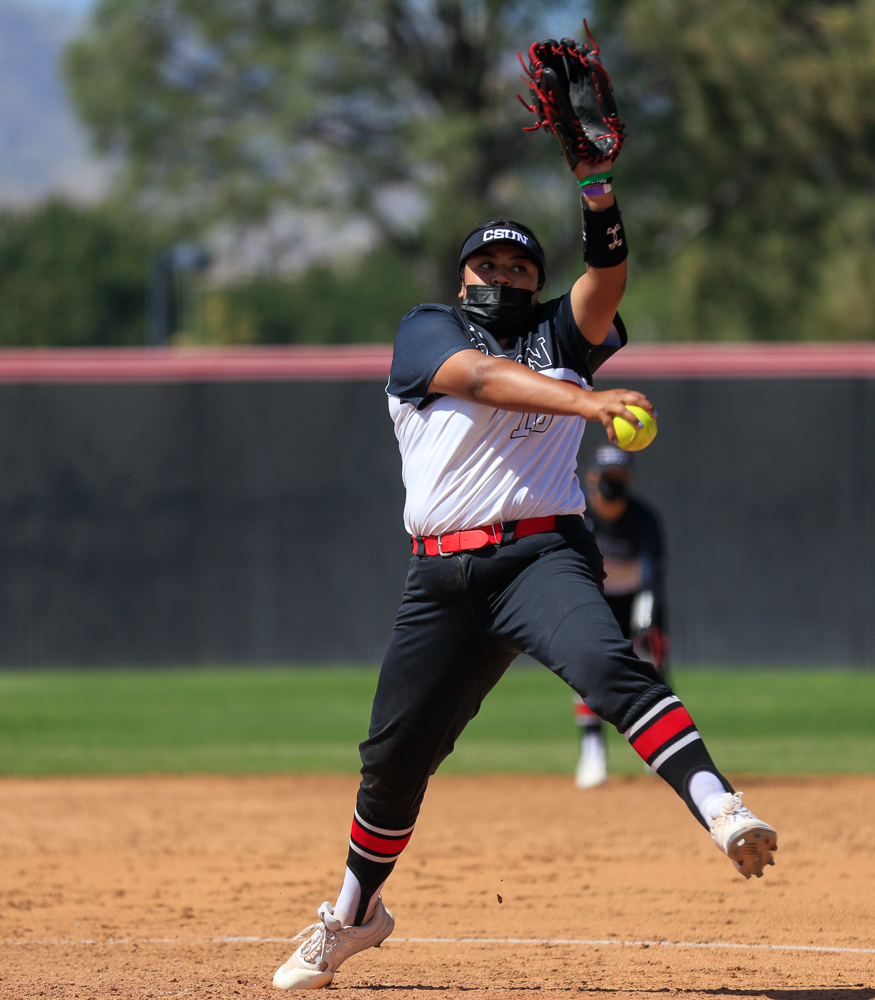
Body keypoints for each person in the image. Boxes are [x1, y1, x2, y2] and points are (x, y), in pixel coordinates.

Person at [270, 153, 777, 991]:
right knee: (394, 759)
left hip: (539, 555)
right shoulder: (427, 329)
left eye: (521, 265)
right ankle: (355, 915)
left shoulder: (558, 333)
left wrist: (599, 190)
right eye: (489, 262)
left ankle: (720, 805)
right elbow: (482, 379)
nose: (505, 274)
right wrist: (585, 401)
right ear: (463, 275)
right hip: (439, 580)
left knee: (609, 664)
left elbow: (607, 276)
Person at [573, 444, 670, 789]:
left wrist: (644, 618)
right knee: (587, 668)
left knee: (652, 667)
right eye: (607, 476)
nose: (613, 483)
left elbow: (651, 576)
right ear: (591, 476)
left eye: (620, 476)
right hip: (595, 598)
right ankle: (593, 749)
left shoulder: (643, 519)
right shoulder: (578, 514)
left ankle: (659, 748)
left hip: (635, 599)